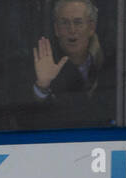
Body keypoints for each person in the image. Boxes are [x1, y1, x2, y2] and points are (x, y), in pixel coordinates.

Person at [29, 0, 113, 129]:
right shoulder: (40, 62)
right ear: (57, 29)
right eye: (65, 23)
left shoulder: (111, 60)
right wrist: (42, 86)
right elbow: (28, 118)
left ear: (91, 28)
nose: (71, 30)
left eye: (78, 22)